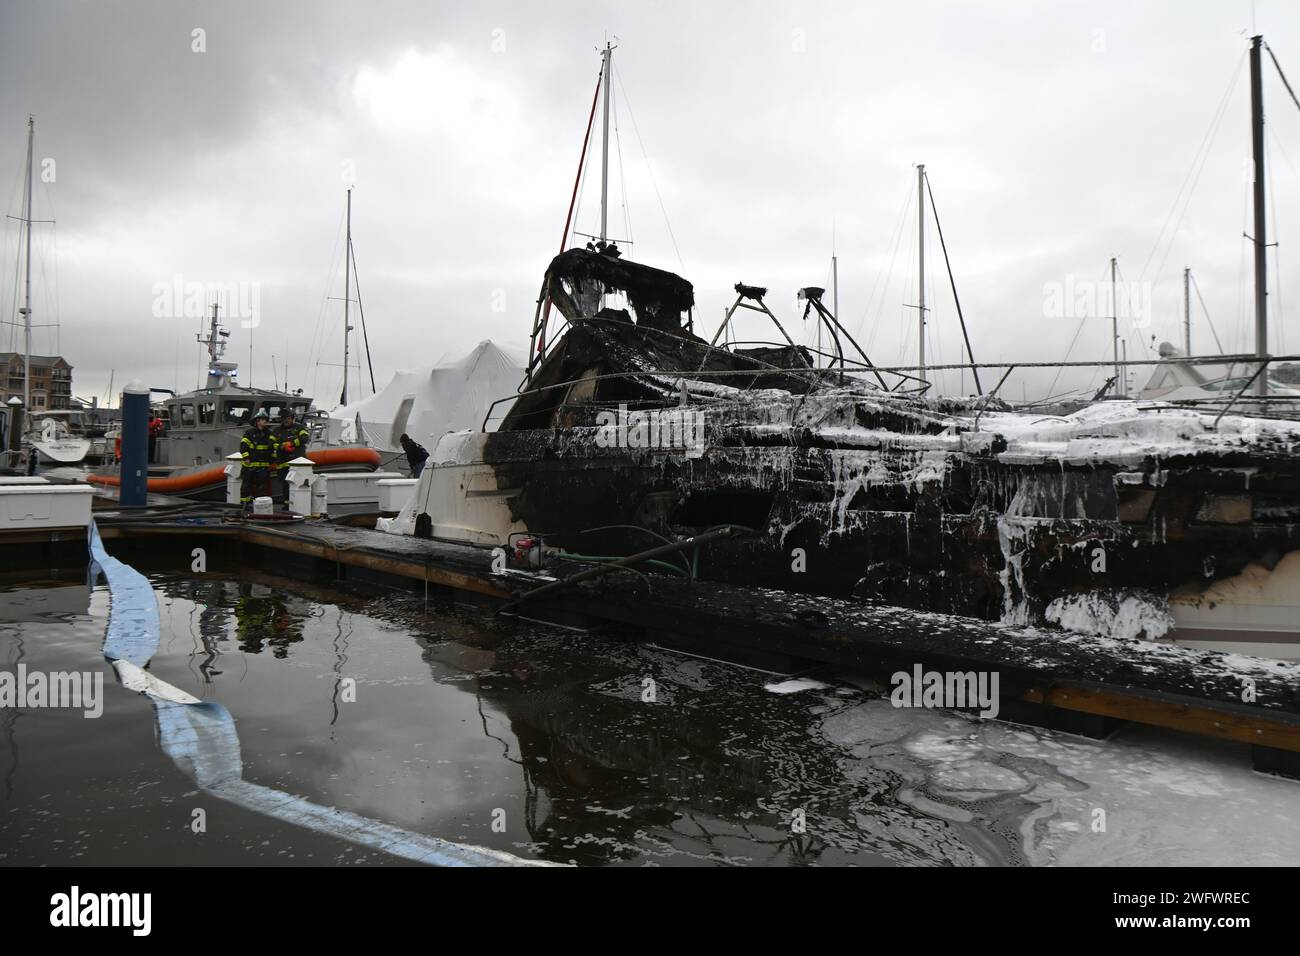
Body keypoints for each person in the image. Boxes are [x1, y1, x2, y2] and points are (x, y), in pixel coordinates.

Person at [273, 408, 311, 508]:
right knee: (285, 486)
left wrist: (292, 443)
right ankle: (287, 506)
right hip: (283, 463)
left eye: (288, 418)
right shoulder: (276, 431)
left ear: (292, 418)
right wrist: (282, 446)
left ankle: (300, 505)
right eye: (284, 418)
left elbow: (305, 438)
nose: (286, 420)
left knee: (299, 483)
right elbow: (271, 444)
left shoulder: (299, 428)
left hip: (297, 464)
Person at [239, 410, 276, 510]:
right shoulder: (249, 433)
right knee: (246, 486)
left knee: (261, 487)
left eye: (265, 420)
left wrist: (271, 461)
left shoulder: (269, 434)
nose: (265, 422)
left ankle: (259, 506)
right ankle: (244, 505)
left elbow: (272, 448)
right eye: (263, 420)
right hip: (249, 465)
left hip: (263, 465)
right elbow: (243, 446)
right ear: (257, 421)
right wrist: (246, 458)